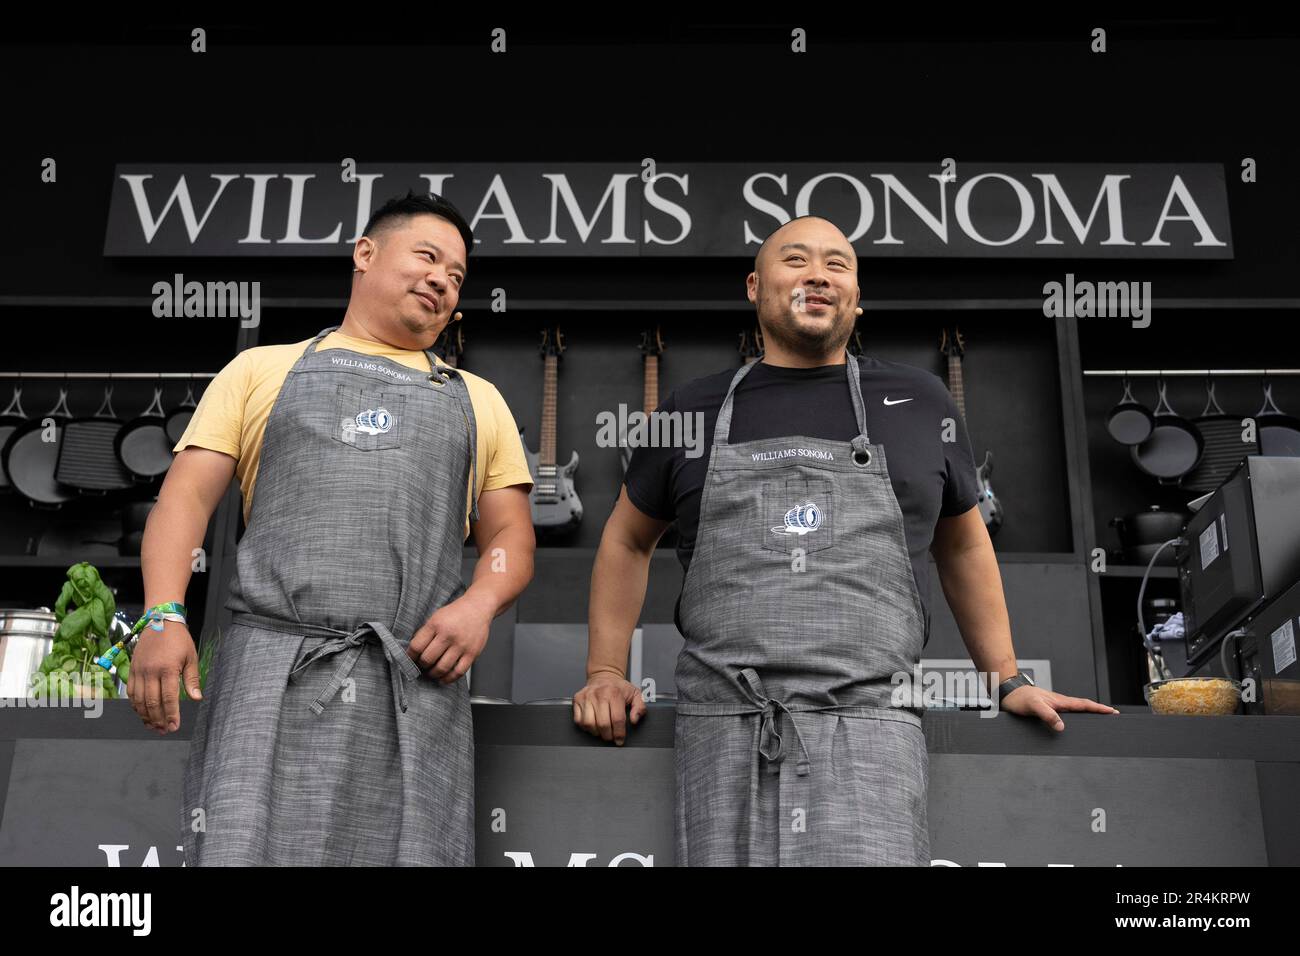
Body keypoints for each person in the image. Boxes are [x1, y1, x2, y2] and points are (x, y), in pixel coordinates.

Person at [574, 215, 1118, 866]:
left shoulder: (921, 402)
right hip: (721, 729)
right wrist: (605, 672)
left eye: (838, 265)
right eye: (796, 260)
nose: (818, 275)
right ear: (754, 285)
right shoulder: (691, 410)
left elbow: (965, 546)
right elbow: (627, 541)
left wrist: (1005, 676)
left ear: (856, 296)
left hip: (872, 730)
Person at [132, 192, 535, 865]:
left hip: (412, 677)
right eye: (428, 257)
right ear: (366, 254)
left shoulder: (478, 399)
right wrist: (161, 615)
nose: (442, 279)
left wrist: (479, 603)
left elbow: (511, 541)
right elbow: (184, 504)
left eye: (458, 276)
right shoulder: (261, 368)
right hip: (268, 670)